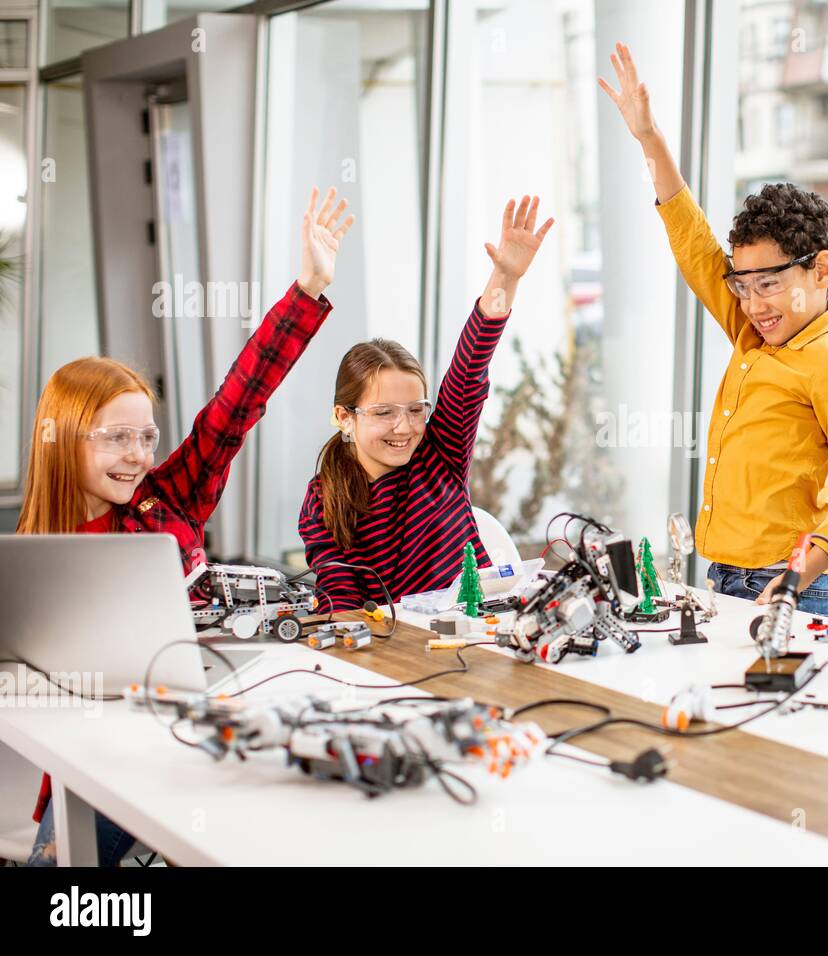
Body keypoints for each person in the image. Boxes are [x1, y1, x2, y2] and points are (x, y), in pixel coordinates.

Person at [20, 187, 354, 865]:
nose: (139, 456)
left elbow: (236, 403)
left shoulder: (169, 498)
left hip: (198, 730)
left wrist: (307, 288)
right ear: (65, 440)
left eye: (146, 436)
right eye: (117, 439)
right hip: (100, 754)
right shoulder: (32, 560)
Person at [599, 42, 828, 615]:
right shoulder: (755, 331)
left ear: (821, 270)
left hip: (786, 585)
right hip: (722, 575)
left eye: (770, 283)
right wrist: (651, 141)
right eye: (743, 284)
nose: (754, 302)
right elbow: (693, 243)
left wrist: (803, 571)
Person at [299, 195, 553, 608]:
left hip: (485, 634)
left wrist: (505, 277)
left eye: (416, 409)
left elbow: (469, 369)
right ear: (344, 417)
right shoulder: (324, 499)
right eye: (383, 413)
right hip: (403, 656)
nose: (405, 427)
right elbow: (342, 605)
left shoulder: (440, 451)